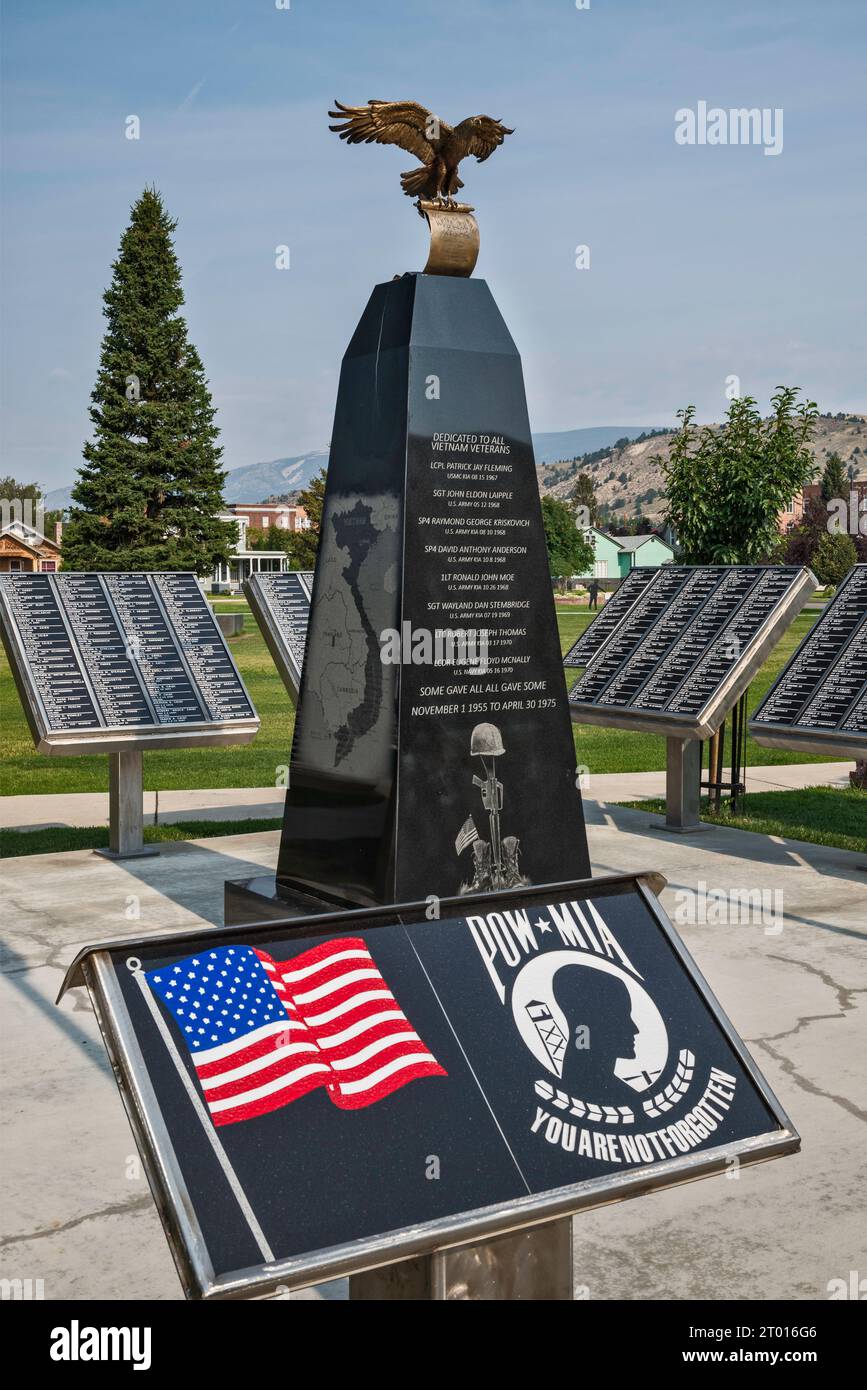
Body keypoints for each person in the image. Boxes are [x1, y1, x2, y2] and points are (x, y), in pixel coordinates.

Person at [553, 965, 639, 1095]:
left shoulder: (627, 1099)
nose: (635, 1029)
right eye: (620, 1017)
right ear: (588, 1024)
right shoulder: (625, 1100)